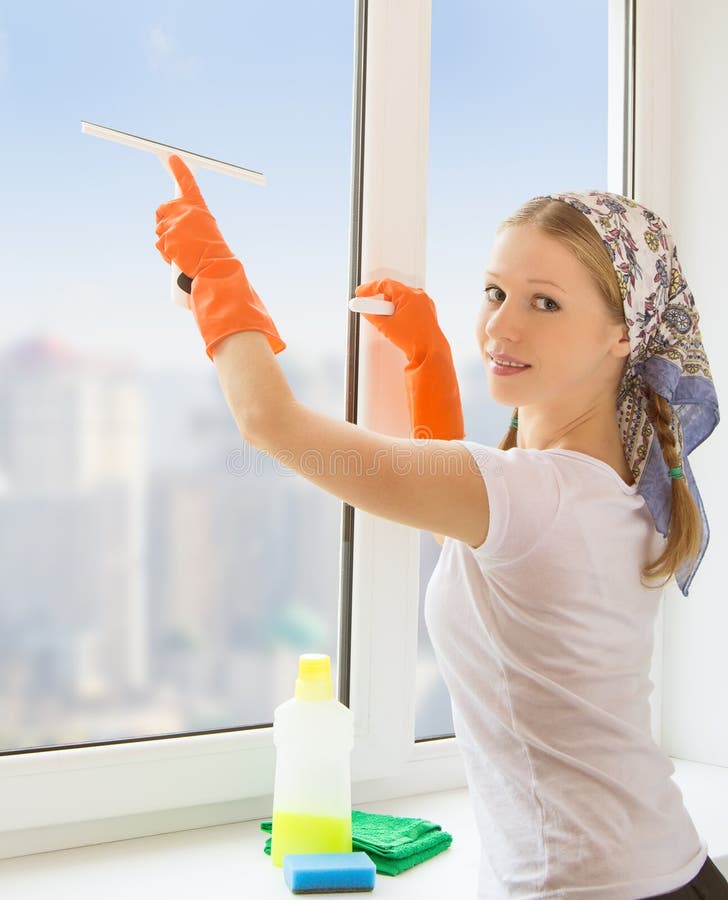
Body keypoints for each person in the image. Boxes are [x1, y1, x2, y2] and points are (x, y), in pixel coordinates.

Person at [155, 155, 724, 899]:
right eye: (495, 293)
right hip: (664, 870)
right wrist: (426, 365)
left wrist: (214, 282)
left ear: (624, 334)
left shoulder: (537, 494)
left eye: (544, 303)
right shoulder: (631, 488)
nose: (501, 325)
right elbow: (481, 531)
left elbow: (271, 424)